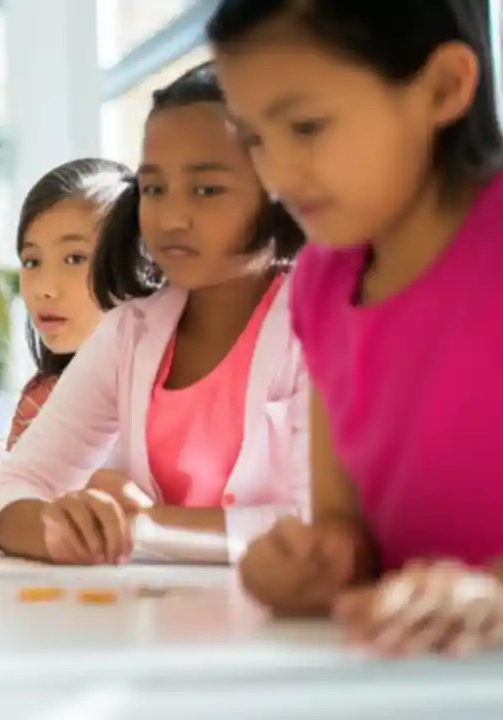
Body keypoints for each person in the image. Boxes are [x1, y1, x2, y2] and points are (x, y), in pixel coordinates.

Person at [210, 0, 503, 656]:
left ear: (444, 88)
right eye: (255, 138)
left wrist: (491, 595)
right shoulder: (320, 283)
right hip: (409, 677)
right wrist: (317, 559)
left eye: (308, 127)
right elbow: (346, 524)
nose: (278, 176)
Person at [0, 63, 307, 566]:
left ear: (281, 190)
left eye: (207, 189)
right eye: (154, 189)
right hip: (149, 622)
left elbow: (321, 527)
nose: (172, 217)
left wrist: (144, 527)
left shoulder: (321, 328)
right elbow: (12, 485)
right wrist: (58, 527)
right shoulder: (128, 334)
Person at [7, 157, 129, 449]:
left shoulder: (159, 398)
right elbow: (5, 491)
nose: (43, 289)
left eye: (74, 258)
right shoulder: (41, 398)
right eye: (32, 261)